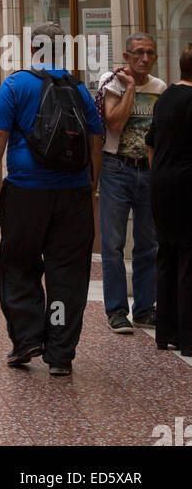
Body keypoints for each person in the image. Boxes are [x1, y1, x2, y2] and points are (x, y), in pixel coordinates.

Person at [0, 21, 104, 376]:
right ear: (61, 50)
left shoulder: (16, 84)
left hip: (26, 192)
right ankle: (60, 353)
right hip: (72, 194)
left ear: (31, 49)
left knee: (19, 264)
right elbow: (95, 140)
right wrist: (91, 185)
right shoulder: (78, 89)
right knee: (67, 273)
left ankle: (28, 339)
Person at [98, 32, 165, 333]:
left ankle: (144, 308)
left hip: (148, 172)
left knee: (148, 244)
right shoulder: (112, 82)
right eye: (138, 53)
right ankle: (116, 311)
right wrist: (129, 88)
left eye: (150, 53)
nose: (145, 59)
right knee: (113, 244)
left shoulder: (161, 88)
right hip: (116, 169)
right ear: (126, 56)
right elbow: (115, 123)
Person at [147, 42, 192, 355]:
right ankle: (189, 338)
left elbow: (151, 143)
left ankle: (165, 331)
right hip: (187, 185)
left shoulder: (165, 97)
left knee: (166, 254)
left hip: (161, 183)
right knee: (189, 258)